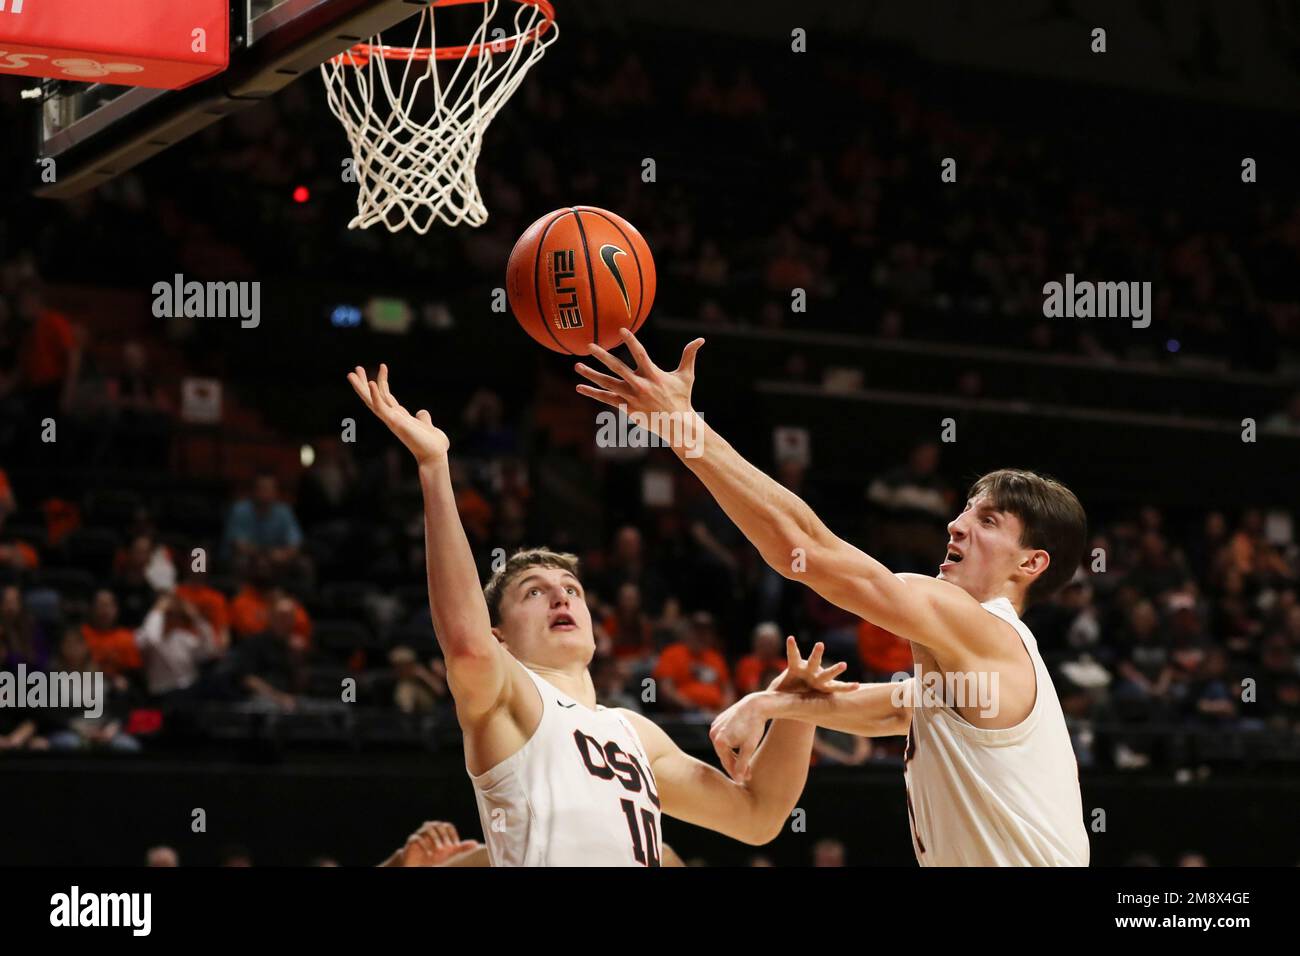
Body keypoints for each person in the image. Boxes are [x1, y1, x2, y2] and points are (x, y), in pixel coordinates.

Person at [576, 329, 1090, 867]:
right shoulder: (978, 667)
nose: (956, 525)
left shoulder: (982, 627)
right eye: (964, 510)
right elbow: (898, 710)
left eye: (987, 521)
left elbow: (807, 551)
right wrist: (774, 703)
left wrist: (682, 429)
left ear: (1031, 564)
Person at [348, 363, 853, 866]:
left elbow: (757, 816)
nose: (561, 597)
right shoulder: (508, 700)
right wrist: (436, 469)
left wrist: (794, 712)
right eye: (533, 592)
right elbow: (465, 642)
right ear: (500, 639)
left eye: (571, 588)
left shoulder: (636, 733)